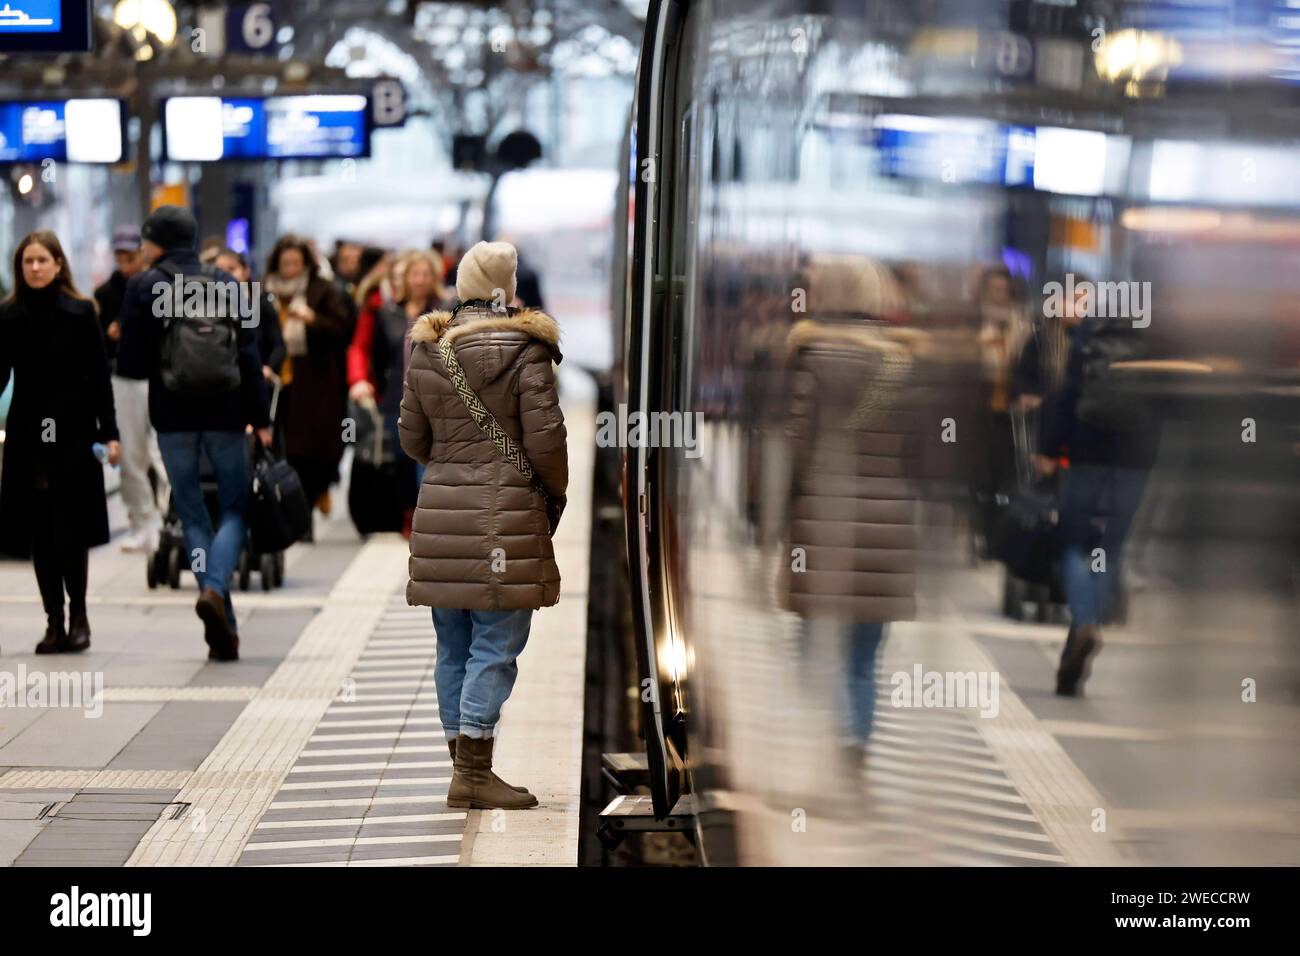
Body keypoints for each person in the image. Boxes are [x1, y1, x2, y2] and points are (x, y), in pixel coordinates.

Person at [399, 240, 568, 810]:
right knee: (495, 644)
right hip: (505, 516)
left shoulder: (429, 349)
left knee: (454, 644)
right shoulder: (528, 349)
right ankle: (474, 768)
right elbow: (546, 441)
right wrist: (555, 494)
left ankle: (464, 765)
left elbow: (411, 440)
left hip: (442, 516)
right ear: (508, 287)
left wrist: (453, 461)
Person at [781, 255, 921, 772]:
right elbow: (920, 454)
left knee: (815, 645)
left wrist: (776, 514)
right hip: (890, 527)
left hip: (825, 519)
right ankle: (855, 745)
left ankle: (832, 737)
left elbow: (798, 445)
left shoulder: (813, 355)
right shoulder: (902, 362)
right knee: (864, 655)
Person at [116, 206, 272, 661]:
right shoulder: (226, 283)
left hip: (172, 414)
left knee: (191, 514)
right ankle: (219, 598)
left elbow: (129, 365)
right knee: (235, 509)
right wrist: (260, 420)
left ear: (155, 241)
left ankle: (213, 590)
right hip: (227, 411)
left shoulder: (143, 286)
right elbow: (248, 356)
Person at [1033, 278, 1156, 695]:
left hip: (1086, 449)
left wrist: (1050, 447)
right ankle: (1085, 629)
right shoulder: (1157, 336)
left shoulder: (1089, 331)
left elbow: (1068, 392)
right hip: (1135, 456)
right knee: (1110, 549)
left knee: (1073, 544)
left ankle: (1082, 624)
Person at [0, 231, 120, 653]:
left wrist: (110, 432)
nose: (35, 268)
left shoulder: (81, 312)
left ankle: (80, 618)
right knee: (40, 533)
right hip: (27, 433)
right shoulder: (8, 315)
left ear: (57, 264)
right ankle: (54, 622)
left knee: (71, 529)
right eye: (28, 262)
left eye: (42, 260)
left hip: (72, 430)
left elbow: (99, 376)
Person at [349, 250, 449, 536]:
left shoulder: (443, 310)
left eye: (425, 274)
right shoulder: (388, 313)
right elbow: (374, 355)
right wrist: (366, 384)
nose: (419, 280)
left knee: (432, 456)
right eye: (414, 274)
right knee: (403, 454)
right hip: (397, 397)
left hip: (434, 396)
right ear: (405, 279)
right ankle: (408, 514)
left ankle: (428, 513)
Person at [263, 235, 352, 539]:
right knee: (280, 452)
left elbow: (342, 331)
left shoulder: (321, 291)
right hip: (275, 384)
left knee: (309, 452)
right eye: (285, 263)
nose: (289, 269)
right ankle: (290, 515)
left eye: (295, 263)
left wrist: (313, 319)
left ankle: (307, 509)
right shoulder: (265, 293)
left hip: (312, 386)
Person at [95, 225, 169, 553]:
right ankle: (142, 518)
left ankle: (169, 516)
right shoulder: (105, 294)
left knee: (162, 451)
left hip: (160, 377)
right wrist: (111, 335)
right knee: (131, 453)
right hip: (123, 378)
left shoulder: (159, 285)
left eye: (131, 256)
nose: (125, 264)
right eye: (120, 258)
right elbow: (96, 343)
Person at [214, 247, 285, 406]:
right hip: (223, 381)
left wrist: (269, 368)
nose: (225, 274)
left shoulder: (261, 302)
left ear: (246, 271)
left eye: (232, 269)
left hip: (255, 380)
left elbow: (278, 344)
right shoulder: (208, 304)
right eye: (219, 270)